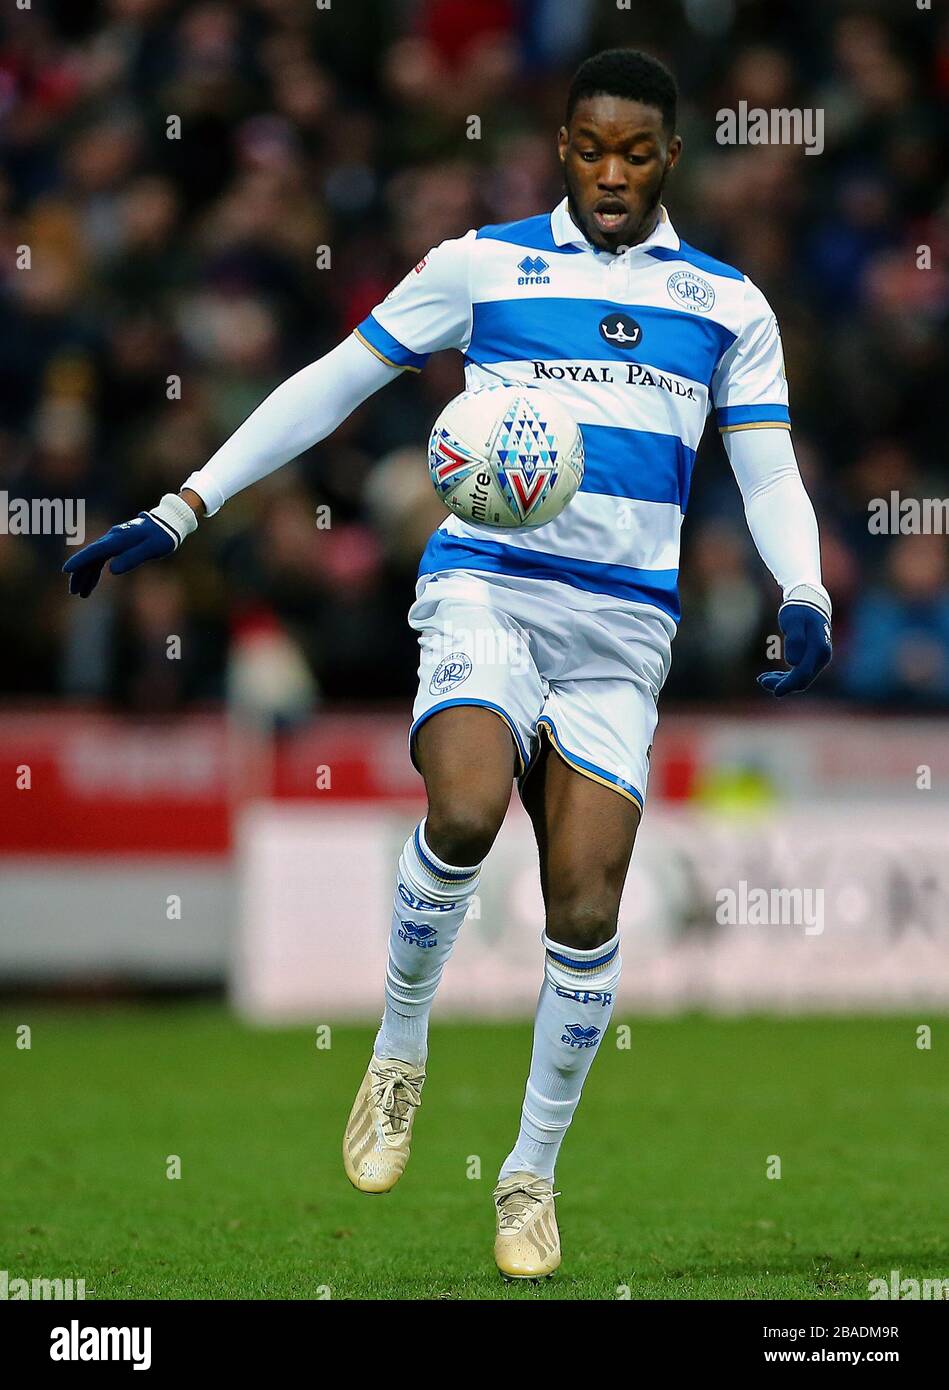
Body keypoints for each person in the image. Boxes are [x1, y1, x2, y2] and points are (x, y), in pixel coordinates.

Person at [63, 48, 832, 1280]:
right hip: (488, 587)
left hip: (624, 630)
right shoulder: (482, 265)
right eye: (590, 147)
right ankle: (401, 1042)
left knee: (584, 903)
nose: (612, 173)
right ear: (561, 144)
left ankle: (528, 1176)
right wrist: (181, 507)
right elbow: (330, 385)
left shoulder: (729, 306)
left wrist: (802, 588)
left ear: (672, 155)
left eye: (638, 152)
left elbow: (770, 469)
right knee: (467, 808)